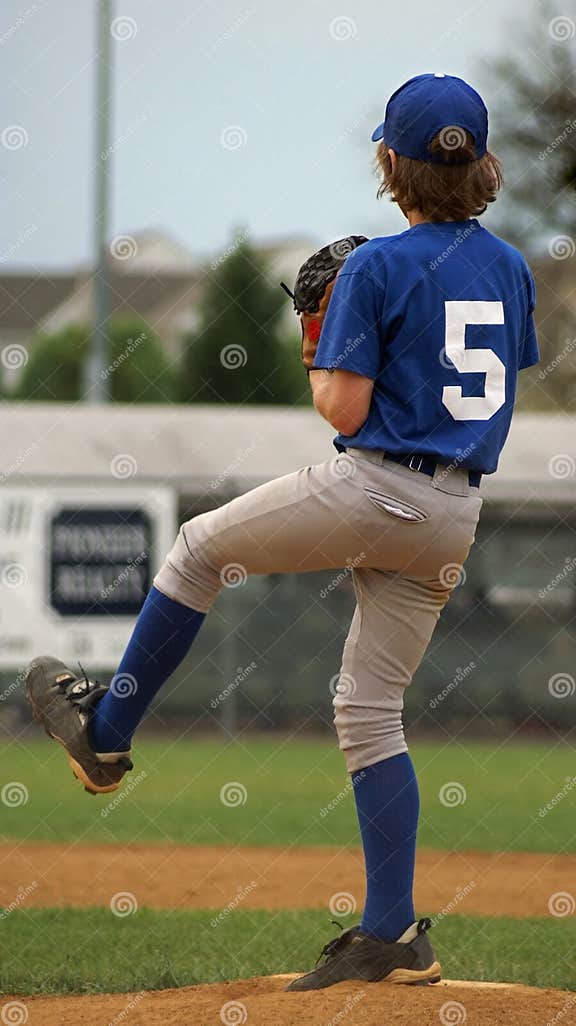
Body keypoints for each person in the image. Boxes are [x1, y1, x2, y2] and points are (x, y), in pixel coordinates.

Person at [25, 72, 538, 991]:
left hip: (380, 485)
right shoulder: (510, 266)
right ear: (481, 165)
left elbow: (344, 407)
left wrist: (321, 339)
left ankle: (107, 731)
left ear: (392, 161)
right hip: (456, 513)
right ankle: (391, 935)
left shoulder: (377, 265)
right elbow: (492, 371)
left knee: (195, 550)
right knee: (369, 711)